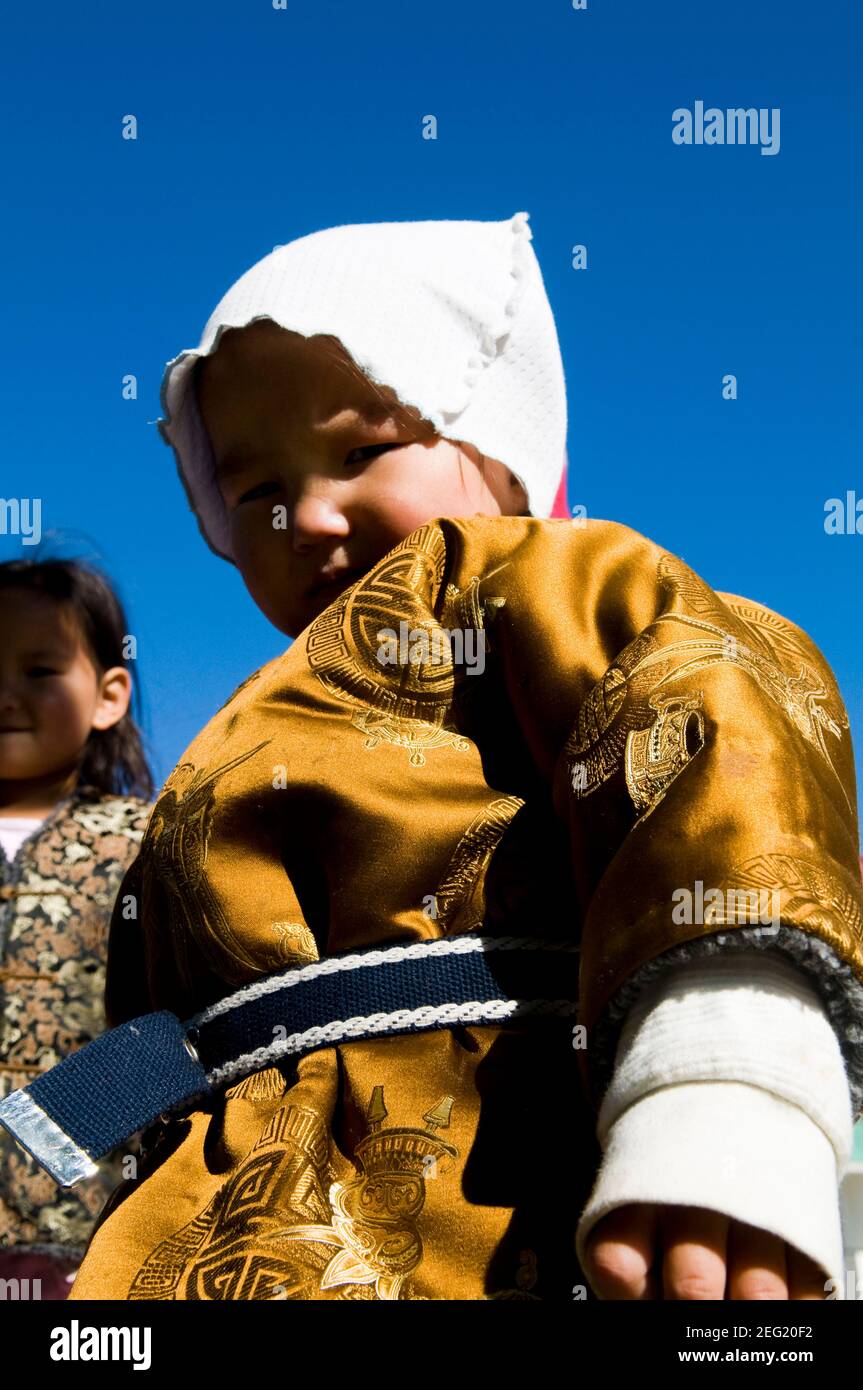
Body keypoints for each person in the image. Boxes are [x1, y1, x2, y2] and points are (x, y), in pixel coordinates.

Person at [23, 211, 863, 1300]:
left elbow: (718, 742)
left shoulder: (552, 587)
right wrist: (45, 1145)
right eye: (258, 494)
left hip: (494, 1176)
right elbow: (182, 1008)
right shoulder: (234, 735)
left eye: (360, 452)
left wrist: (717, 1088)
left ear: (498, 449)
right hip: (213, 1226)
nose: (311, 516)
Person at [0, 558, 153, 1298]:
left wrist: (57, 1133)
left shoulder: (153, 846)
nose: (5, 696)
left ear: (108, 695)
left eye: (39, 670)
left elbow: (202, 1019)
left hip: (92, 1246)